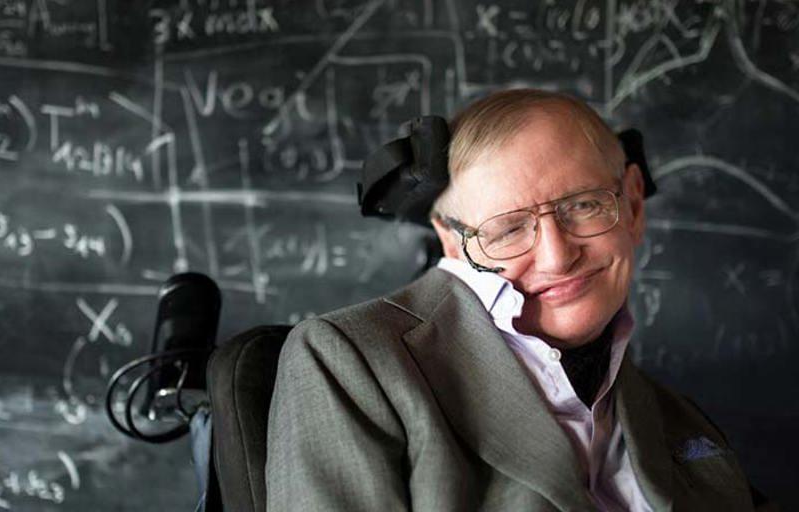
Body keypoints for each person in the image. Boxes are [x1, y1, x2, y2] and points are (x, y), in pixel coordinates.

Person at [265, 89, 773, 511]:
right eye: (507, 230)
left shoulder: (676, 417)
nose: (556, 257)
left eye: (583, 205)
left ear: (633, 202)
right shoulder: (350, 362)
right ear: (451, 241)